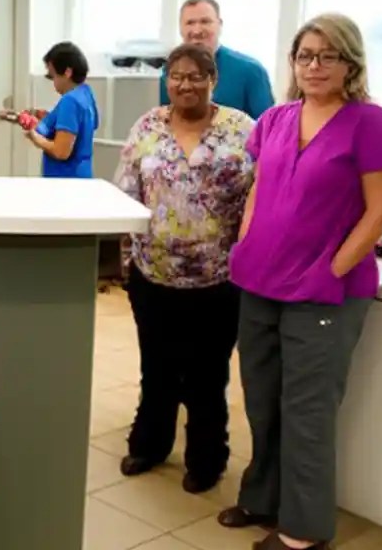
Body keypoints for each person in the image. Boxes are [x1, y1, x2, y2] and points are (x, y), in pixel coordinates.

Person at [220, 13, 382, 550]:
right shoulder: (277, 118)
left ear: (351, 63)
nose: (315, 65)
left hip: (325, 292)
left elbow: (380, 211)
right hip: (260, 282)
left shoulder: (372, 124)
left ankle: (303, 530)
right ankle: (263, 500)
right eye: (305, 55)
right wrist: (246, 241)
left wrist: (332, 268)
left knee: (307, 411)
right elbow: (260, 189)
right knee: (262, 401)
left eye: (329, 56)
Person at [113, 43, 254, 494]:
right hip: (152, 274)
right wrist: (125, 262)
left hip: (219, 279)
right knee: (156, 366)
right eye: (177, 75)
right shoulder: (147, 126)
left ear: (213, 79)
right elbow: (126, 194)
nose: (185, 84)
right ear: (167, 80)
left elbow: (261, 195)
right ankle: (150, 445)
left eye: (196, 76)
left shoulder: (240, 129)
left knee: (207, 375)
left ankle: (207, 460)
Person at [161, 0, 275, 120]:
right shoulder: (165, 73)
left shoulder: (251, 71)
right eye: (190, 23)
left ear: (219, 25)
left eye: (205, 21)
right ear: (180, 28)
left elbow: (269, 128)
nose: (197, 30)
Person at [17, 41, 99, 178]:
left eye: (53, 76)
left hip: (65, 181)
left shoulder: (70, 101)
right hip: (83, 176)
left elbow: (61, 152)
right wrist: (49, 119)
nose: (53, 83)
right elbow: (88, 125)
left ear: (67, 72)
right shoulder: (86, 92)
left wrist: (33, 136)